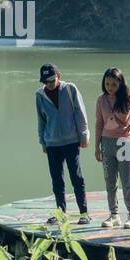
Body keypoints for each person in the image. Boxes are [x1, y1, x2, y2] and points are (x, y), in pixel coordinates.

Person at [35, 63, 90, 224]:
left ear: (59, 75)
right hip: (52, 143)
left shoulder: (70, 89)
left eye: (52, 80)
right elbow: (41, 120)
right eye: (46, 82)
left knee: (76, 177)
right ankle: (61, 213)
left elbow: (80, 111)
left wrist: (84, 134)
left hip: (71, 140)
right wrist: (42, 141)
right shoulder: (39, 95)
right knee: (57, 180)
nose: (49, 85)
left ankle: (84, 213)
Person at [93, 67, 130, 229]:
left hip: (124, 142)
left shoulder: (129, 98)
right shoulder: (101, 100)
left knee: (127, 180)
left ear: (120, 84)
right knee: (110, 180)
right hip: (107, 142)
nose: (110, 87)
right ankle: (114, 215)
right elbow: (99, 123)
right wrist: (97, 147)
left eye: (113, 84)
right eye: (107, 84)